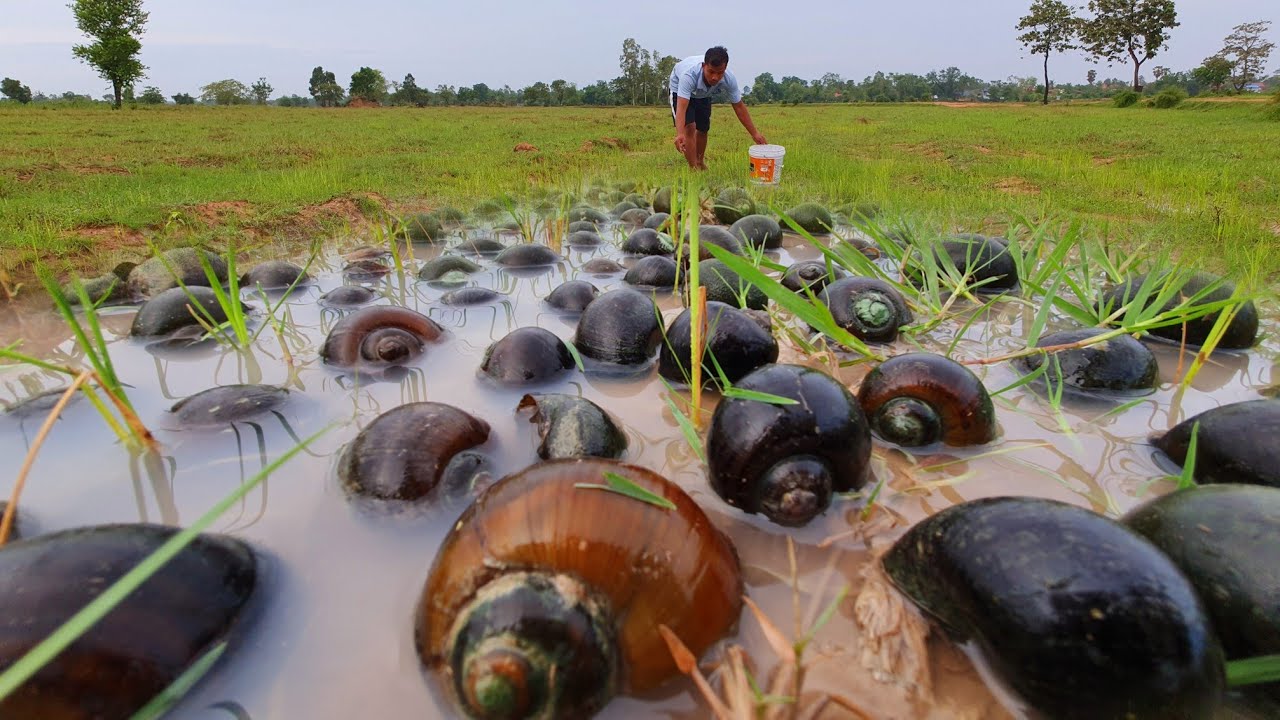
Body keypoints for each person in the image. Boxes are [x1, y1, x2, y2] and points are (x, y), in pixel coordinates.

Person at [669, 46, 767, 170]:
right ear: (704, 66)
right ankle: (693, 169)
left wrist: (755, 134)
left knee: (703, 128)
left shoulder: (729, 79)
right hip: (679, 89)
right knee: (689, 127)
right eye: (711, 72)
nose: (715, 77)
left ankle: (700, 162)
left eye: (720, 72)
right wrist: (680, 134)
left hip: (704, 93)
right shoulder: (689, 76)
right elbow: (682, 108)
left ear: (725, 68)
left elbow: (739, 107)